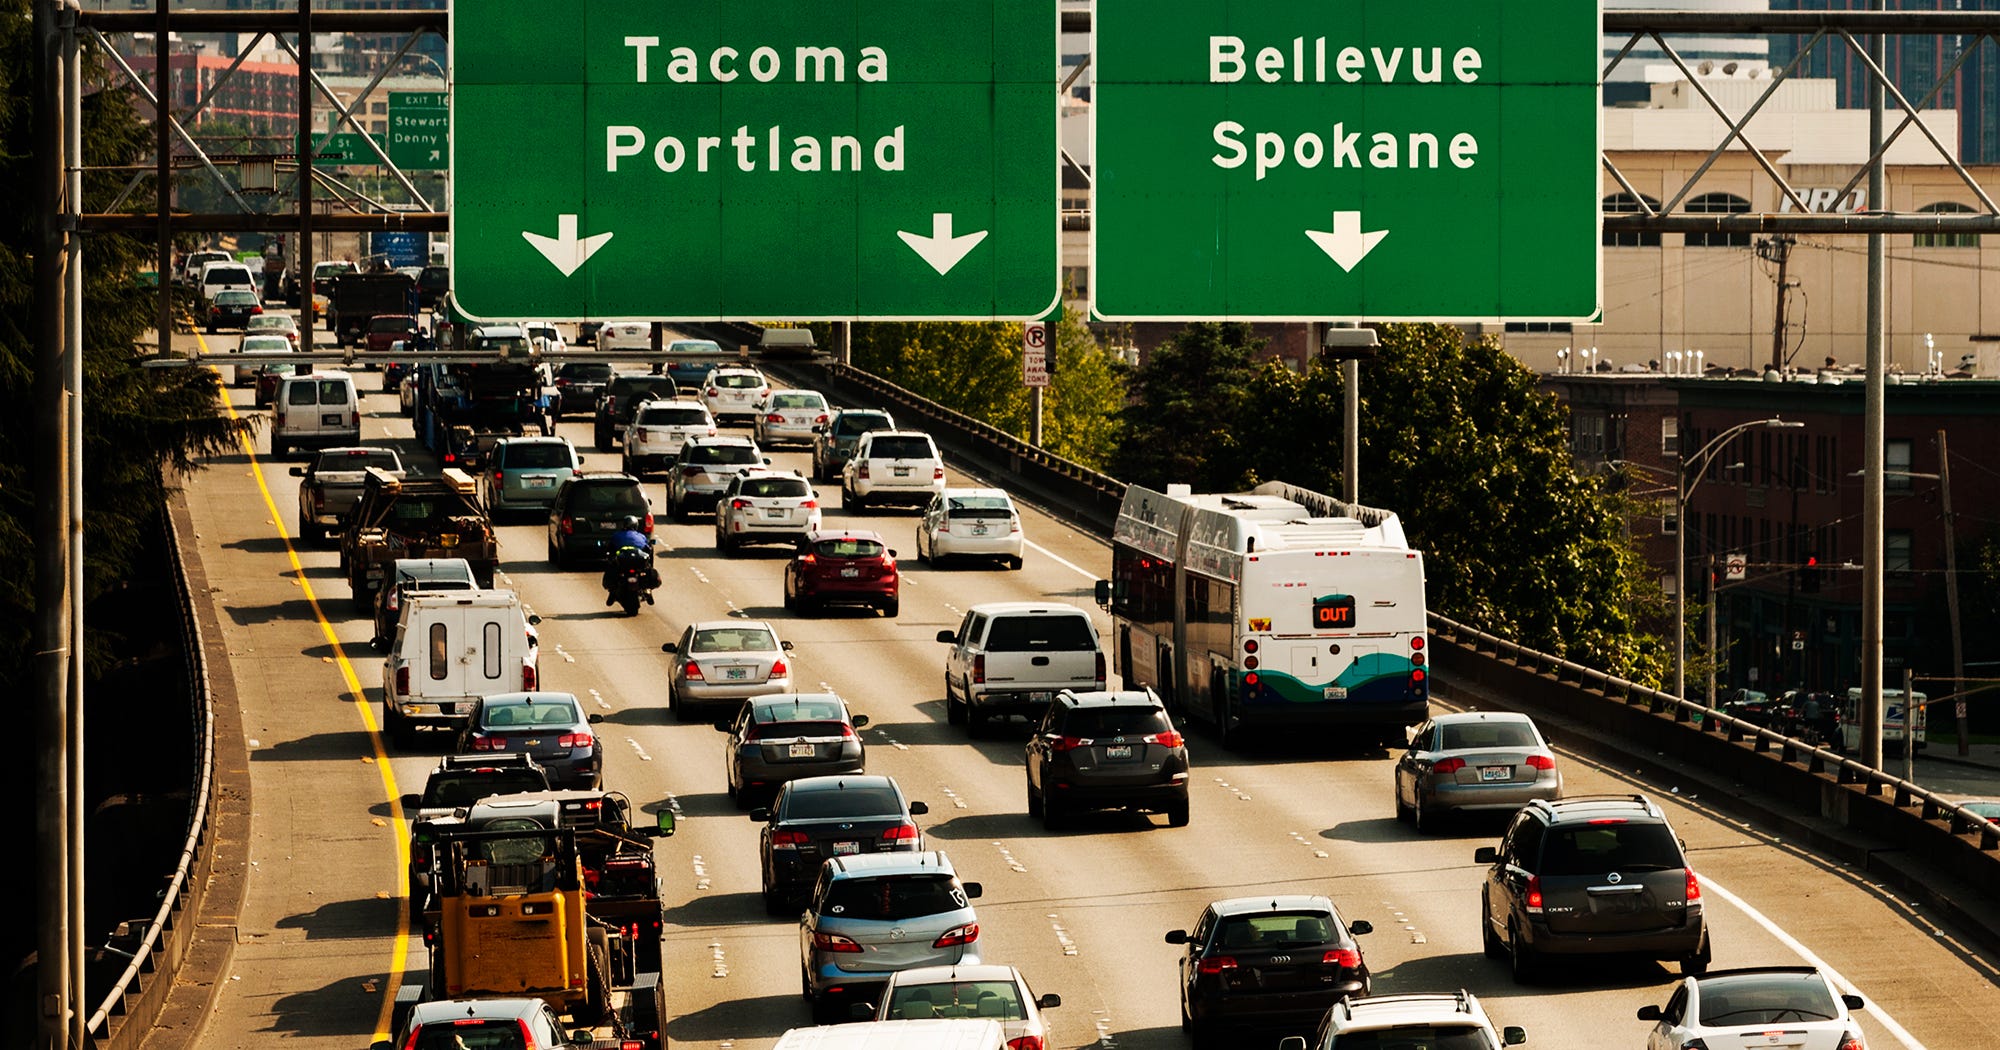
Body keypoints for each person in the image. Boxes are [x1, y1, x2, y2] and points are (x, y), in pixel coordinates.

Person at [602, 516, 659, 604]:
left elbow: (609, 548)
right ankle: (647, 591)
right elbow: (648, 549)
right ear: (636, 526)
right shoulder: (641, 536)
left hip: (624, 561)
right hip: (636, 561)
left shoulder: (617, 535)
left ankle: (612, 593)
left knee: (613, 569)